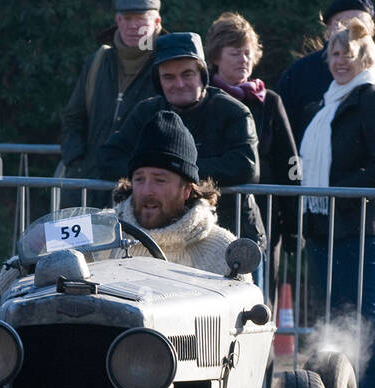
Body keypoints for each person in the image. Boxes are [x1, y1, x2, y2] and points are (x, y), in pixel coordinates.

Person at [297, 17, 375, 388]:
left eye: (347, 54)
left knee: (366, 316)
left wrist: (335, 189)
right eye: (334, 54)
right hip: (324, 226)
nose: (339, 61)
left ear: (364, 57)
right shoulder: (324, 106)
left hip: (361, 226)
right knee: (333, 318)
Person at [97, 32, 264, 248]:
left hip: (232, 234)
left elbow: (246, 166)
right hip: (162, 237)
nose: (179, 84)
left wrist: (177, 172)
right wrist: (153, 172)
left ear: (202, 75)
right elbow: (108, 158)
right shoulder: (145, 111)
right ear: (158, 81)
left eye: (187, 74)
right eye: (168, 77)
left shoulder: (234, 111)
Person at [275, 0, 375, 169]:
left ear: (370, 29)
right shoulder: (300, 73)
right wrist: (291, 181)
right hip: (311, 185)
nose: (350, 34)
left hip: (370, 190)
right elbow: (280, 130)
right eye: (343, 25)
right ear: (328, 30)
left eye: (358, 26)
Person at [204, 13, 297, 284]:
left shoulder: (270, 102)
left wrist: (293, 225)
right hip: (210, 219)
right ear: (216, 56)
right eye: (235, 53)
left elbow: (289, 164)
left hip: (263, 221)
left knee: (261, 299)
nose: (244, 60)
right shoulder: (201, 99)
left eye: (248, 53)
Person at [59, 0, 163, 201]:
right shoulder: (97, 61)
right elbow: (73, 118)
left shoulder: (169, 66)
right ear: (117, 20)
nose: (133, 25)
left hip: (142, 193)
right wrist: (77, 163)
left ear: (157, 21)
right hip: (87, 187)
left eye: (140, 18)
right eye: (126, 18)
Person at [112, 110, 238, 276]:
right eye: (139, 179)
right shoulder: (103, 238)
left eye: (160, 180)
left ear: (186, 190)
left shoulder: (224, 252)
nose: (147, 190)